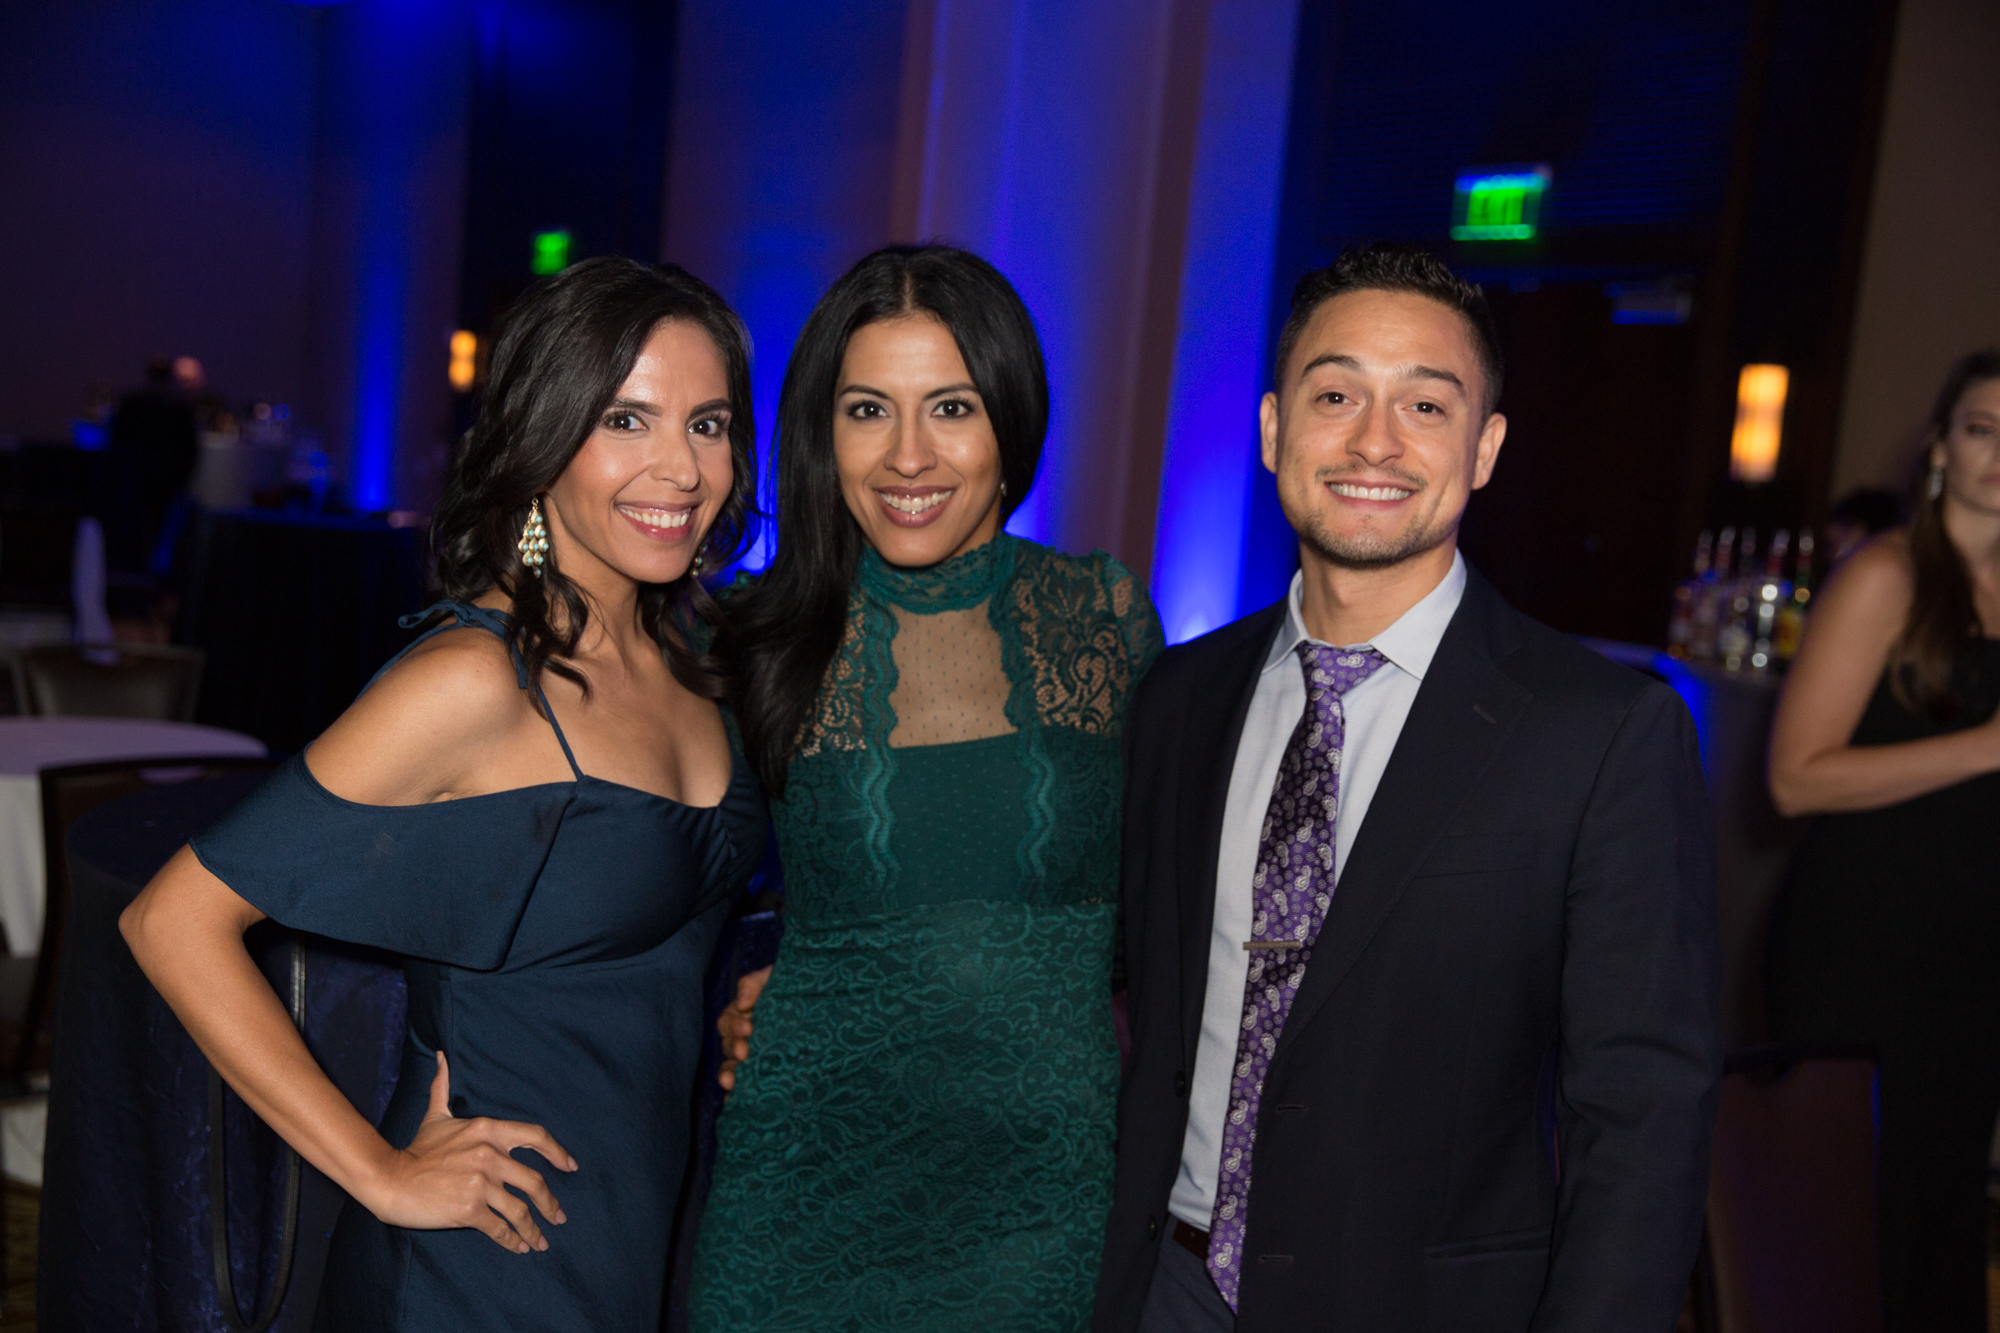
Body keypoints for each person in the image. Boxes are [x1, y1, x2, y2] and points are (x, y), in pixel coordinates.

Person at [119, 257, 767, 1330]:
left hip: (643, 1222)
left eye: (707, 423)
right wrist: (378, 1171)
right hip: (489, 1257)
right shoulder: (474, 678)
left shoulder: (685, 647)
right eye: (625, 419)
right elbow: (171, 918)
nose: (682, 468)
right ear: (540, 439)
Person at [1095, 243, 1719, 1332]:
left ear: (1483, 449)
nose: (1372, 441)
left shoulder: (1600, 733)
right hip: (1164, 1290)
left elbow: (1641, 1117)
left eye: (1424, 406)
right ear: (1272, 429)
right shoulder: (1179, 698)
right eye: (1333, 394)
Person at [687, 244, 1163, 1331]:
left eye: (949, 406)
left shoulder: (1102, 619)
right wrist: (744, 979)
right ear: (822, 433)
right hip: (798, 1191)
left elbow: (1165, 905)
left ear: (1010, 419)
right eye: (866, 411)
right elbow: (655, 884)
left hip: (1038, 1204)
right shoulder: (759, 638)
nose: (907, 455)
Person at [1766, 350, 2000, 1333]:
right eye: (1982, 428)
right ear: (1939, 448)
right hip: (1860, 952)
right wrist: (1983, 747)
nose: (1999, 454)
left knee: (1937, 1231)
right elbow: (1790, 778)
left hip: (1971, 960)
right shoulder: (1885, 575)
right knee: (1843, 1237)